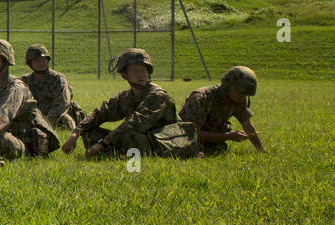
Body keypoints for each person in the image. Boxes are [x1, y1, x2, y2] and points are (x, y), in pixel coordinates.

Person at [62, 48, 200, 159]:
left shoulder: (157, 95)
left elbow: (135, 123)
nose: (141, 74)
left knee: (131, 134)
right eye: (135, 70)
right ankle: (112, 155)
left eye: (143, 70)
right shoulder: (127, 96)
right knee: (90, 132)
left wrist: (102, 144)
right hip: (142, 140)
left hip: (166, 142)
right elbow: (101, 112)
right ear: (124, 75)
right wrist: (76, 134)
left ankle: (113, 154)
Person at [0, 40, 58, 159]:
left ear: (6, 62)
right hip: (0, 134)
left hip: (24, 144)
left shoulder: (16, 89)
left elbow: (1, 120)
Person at [180, 66, 265, 155]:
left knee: (219, 149)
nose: (243, 98)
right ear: (229, 87)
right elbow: (190, 133)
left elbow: (247, 125)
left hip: (210, 140)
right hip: (183, 139)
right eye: (241, 93)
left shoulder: (237, 99)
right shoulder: (201, 98)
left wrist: (261, 150)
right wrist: (227, 136)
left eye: (245, 95)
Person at [22, 44, 86, 132]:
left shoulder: (58, 79)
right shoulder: (26, 81)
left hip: (58, 117)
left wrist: (45, 125)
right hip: (37, 117)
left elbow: (62, 105)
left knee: (66, 121)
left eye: (43, 59)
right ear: (30, 64)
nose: (41, 63)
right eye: (37, 60)